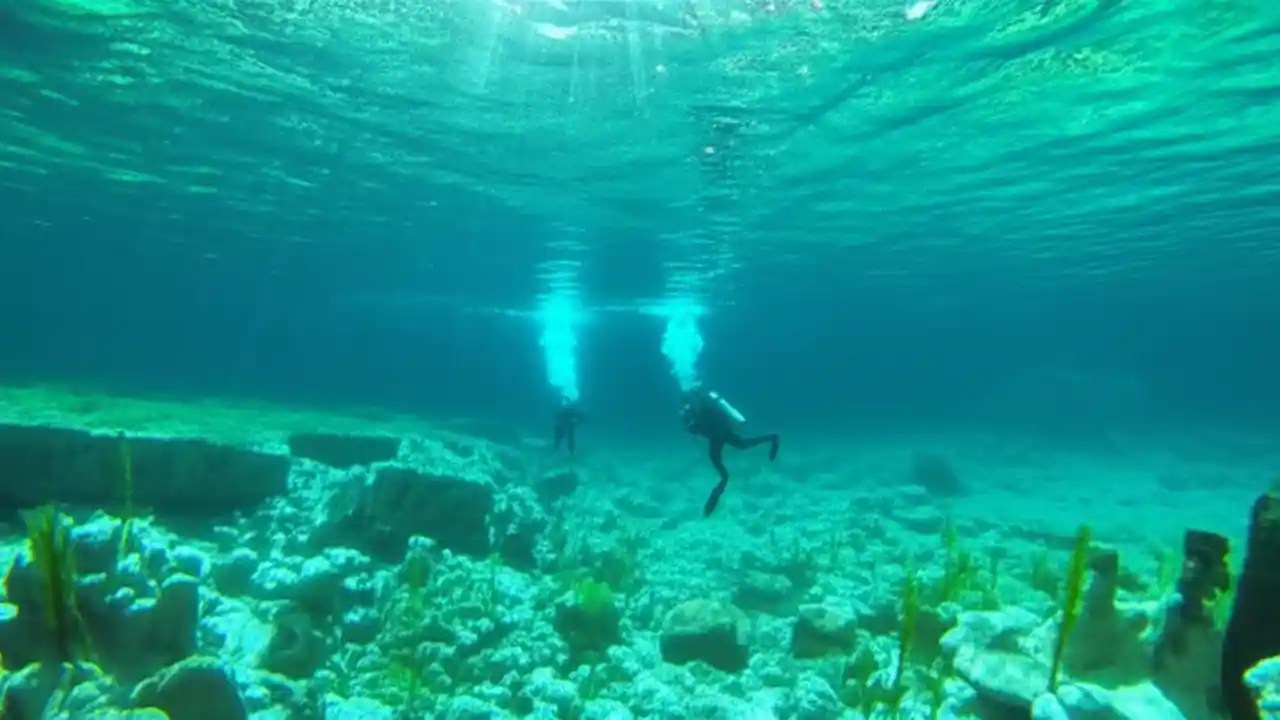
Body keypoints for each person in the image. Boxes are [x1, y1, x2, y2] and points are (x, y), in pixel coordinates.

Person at [681, 386, 780, 516]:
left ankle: (719, 489)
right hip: (722, 430)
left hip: (716, 434)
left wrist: (691, 424)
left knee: (718, 461)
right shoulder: (703, 404)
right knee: (741, 445)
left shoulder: (695, 409)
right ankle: (771, 437)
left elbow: (696, 428)